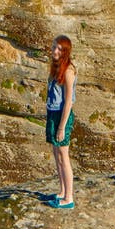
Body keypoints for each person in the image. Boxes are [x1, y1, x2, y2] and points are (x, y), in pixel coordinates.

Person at [45, 35, 76, 209]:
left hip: (62, 115)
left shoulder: (68, 71)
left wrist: (62, 126)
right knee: (57, 154)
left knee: (64, 156)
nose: (55, 51)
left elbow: (69, 101)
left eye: (59, 49)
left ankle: (69, 198)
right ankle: (62, 191)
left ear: (65, 52)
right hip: (53, 112)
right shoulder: (56, 67)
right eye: (54, 47)